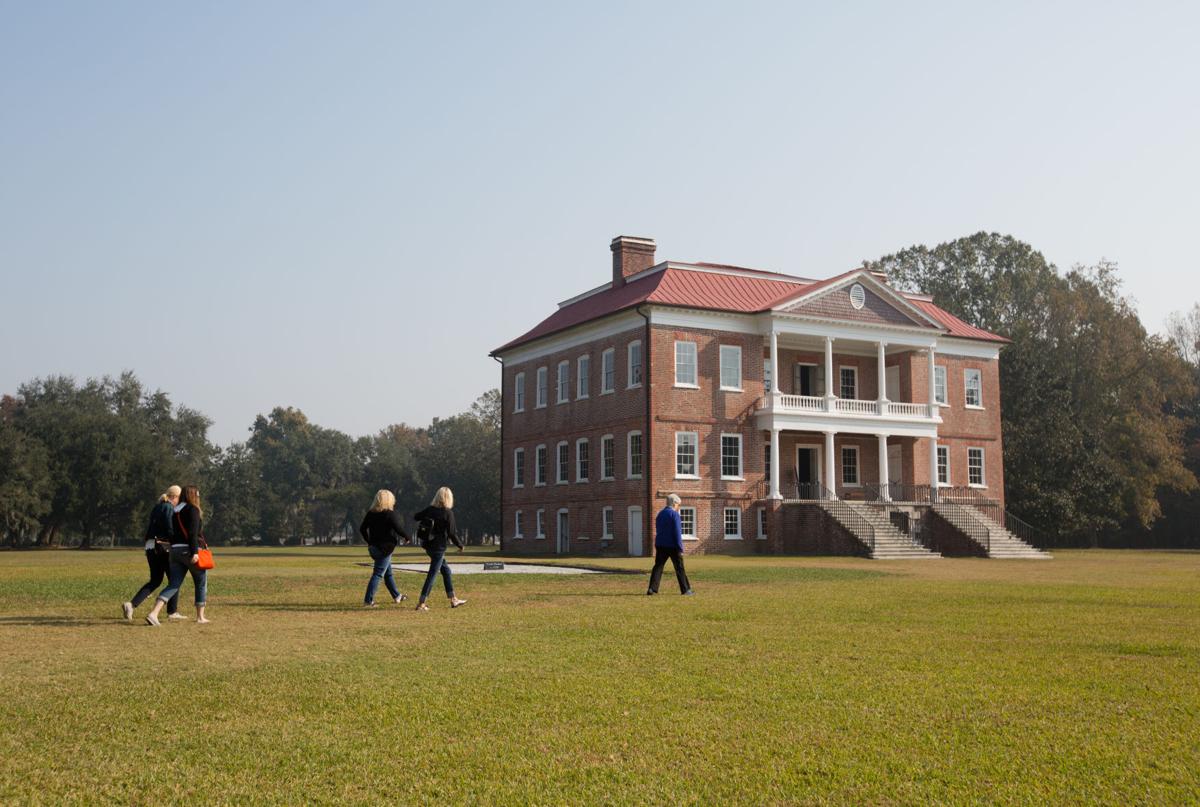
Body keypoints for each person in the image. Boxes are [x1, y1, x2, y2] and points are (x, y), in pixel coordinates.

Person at [146, 485, 209, 626]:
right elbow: (192, 533)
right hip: (189, 550)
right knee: (200, 582)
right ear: (193, 495)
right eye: (197, 495)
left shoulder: (175, 510)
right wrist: (195, 552)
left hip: (174, 551)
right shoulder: (193, 509)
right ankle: (200, 617)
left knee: (173, 584)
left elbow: (172, 532)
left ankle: (154, 613)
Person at [122, 486, 183, 621]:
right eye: (180, 498)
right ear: (175, 497)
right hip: (162, 546)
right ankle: (172, 611)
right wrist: (176, 540)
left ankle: (131, 604)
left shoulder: (157, 507)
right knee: (174, 579)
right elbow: (169, 528)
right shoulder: (169, 507)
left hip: (150, 546)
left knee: (155, 580)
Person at [412, 486, 466, 611]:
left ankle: (453, 599)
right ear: (449, 498)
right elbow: (452, 533)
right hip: (439, 547)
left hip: (428, 546)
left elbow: (416, 517)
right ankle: (421, 603)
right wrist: (460, 545)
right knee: (432, 574)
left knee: (446, 571)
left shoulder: (430, 510)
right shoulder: (448, 513)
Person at [359, 489, 410, 607]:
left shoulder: (371, 513)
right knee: (378, 574)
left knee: (388, 573)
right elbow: (398, 528)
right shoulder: (389, 514)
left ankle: (397, 596)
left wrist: (369, 542)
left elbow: (362, 529)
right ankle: (368, 601)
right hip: (385, 549)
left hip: (373, 548)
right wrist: (407, 537)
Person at [647, 493, 694, 596]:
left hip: (660, 544)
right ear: (674, 503)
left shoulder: (660, 514)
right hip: (672, 545)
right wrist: (680, 547)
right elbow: (677, 532)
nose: (678, 507)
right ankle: (686, 590)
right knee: (679, 568)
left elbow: (658, 529)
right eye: (678, 504)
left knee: (658, 567)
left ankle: (652, 589)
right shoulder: (674, 514)